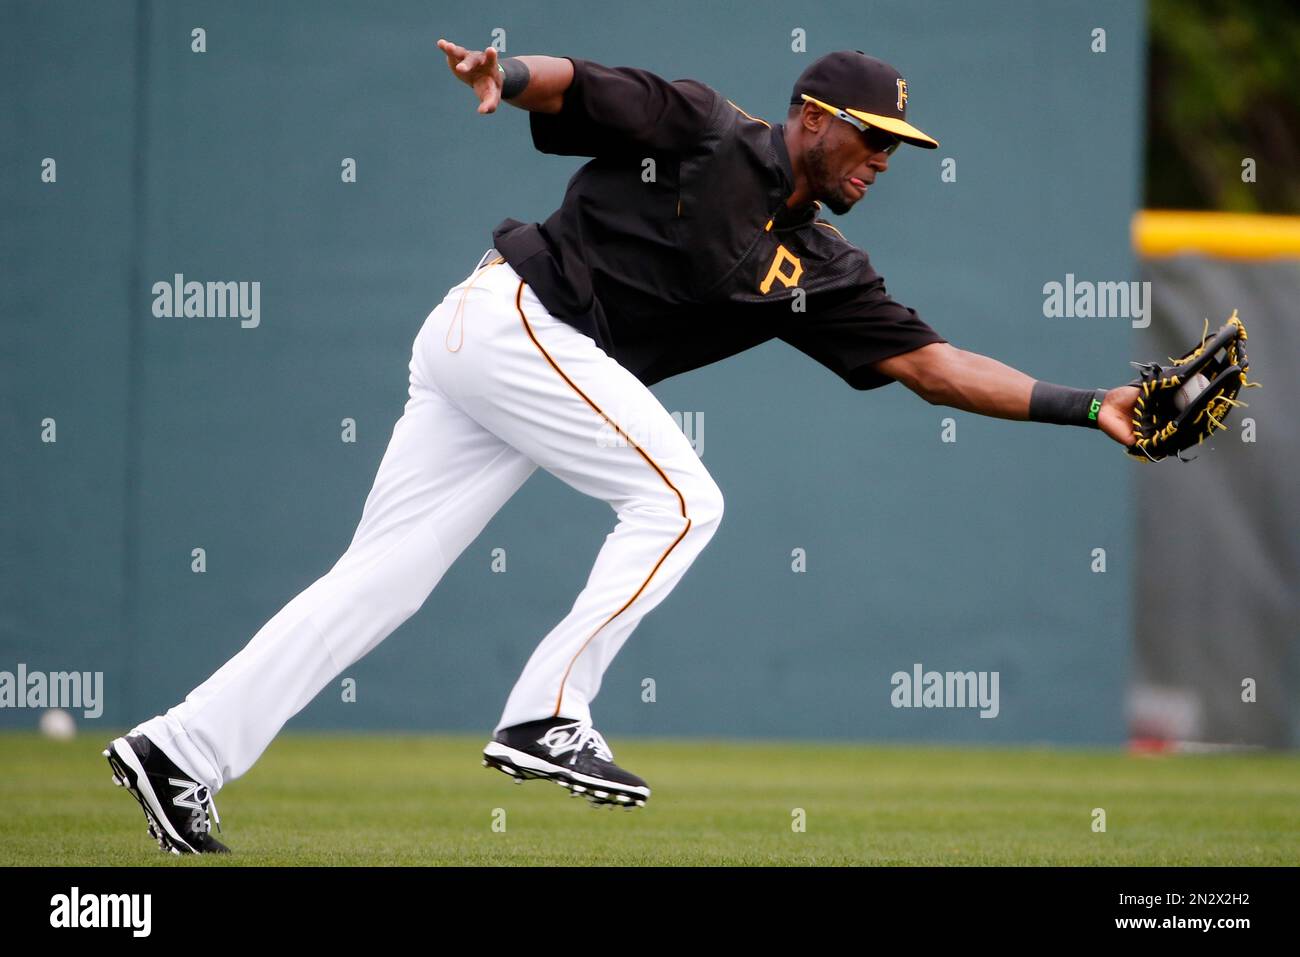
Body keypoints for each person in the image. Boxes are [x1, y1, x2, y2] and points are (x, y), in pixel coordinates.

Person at [105, 43, 1140, 853]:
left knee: (380, 582)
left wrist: (1092, 406)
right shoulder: (703, 128)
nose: (882, 158)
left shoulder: (824, 267)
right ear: (812, 118)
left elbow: (933, 366)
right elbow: (580, 90)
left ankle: (177, 748)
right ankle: (545, 714)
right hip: (520, 321)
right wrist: (503, 74)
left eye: (896, 146)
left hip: (506, 351)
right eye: (870, 136)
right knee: (682, 502)